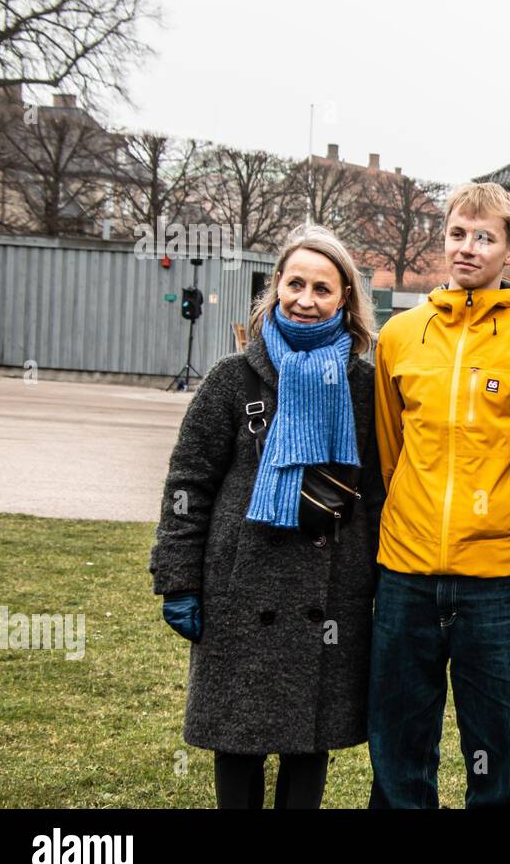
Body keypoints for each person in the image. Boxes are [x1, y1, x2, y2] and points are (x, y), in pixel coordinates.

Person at [150, 223, 384, 809]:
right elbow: (188, 484)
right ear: (275, 287)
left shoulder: (365, 385)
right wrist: (178, 579)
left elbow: (381, 490)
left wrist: (383, 582)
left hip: (331, 590)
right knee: (238, 739)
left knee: (310, 745)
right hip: (239, 585)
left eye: (323, 289)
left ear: (345, 300)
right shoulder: (234, 378)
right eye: (295, 283)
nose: (306, 300)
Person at [367, 181, 510, 808]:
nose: (468, 247)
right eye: (458, 232)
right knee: (400, 751)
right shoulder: (400, 335)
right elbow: (389, 449)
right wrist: (415, 520)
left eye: (485, 237)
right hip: (405, 575)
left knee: (498, 754)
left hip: (498, 583)